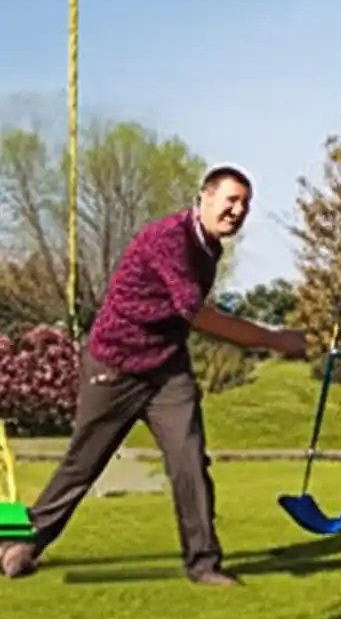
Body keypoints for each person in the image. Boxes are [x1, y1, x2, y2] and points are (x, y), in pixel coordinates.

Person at [0, 163, 308, 586]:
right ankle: (21, 543)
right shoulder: (169, 239)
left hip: (166, 370)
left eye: (245, 204)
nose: (238, 211)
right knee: (82, 464)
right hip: (116, 364)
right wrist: (274, 339)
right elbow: (196, 314)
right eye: (231, 200)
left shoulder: (209, 248)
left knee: (189, 459)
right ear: (204, 197)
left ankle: (204, 564)